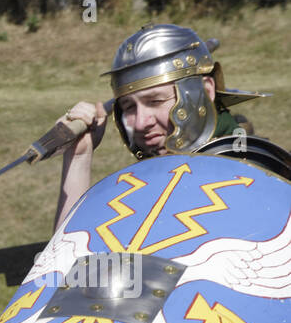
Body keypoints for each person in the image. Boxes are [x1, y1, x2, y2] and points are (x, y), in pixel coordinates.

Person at [55, 23, 269, 228]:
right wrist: (78, 157)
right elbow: (69, 250)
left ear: (206, 91)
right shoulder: (147, 184)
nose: (141, 123)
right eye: (129, 107)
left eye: (155, 101)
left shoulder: (254, 177)